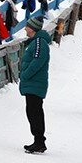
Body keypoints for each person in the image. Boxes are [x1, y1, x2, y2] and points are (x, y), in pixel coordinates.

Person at [19, 16, 51, 154]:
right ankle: (38, 141)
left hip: (34, 83)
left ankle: (39, 142)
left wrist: (25, 75)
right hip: (33, 84)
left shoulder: (39, 42)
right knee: (33, 111)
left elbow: (38, 61)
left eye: (27, 26)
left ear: (32, 28)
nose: (25, 28)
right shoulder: (35, 42)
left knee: (34, 112)